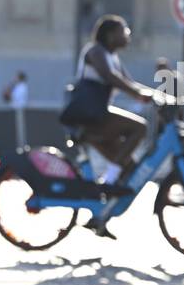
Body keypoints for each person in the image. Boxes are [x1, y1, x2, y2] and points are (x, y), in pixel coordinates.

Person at [60, 14, 157, 237]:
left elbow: (129, 82)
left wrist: (153, 95)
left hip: (98, 118)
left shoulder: (112, 56)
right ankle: (109, 180)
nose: (128, 35)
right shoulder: (95, 51)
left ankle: (99, 217)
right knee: (139, 128)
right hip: (89, 118)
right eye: (124, 31)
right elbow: (110, 77)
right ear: (111, 34)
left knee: (130, 167)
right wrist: (139, 94)